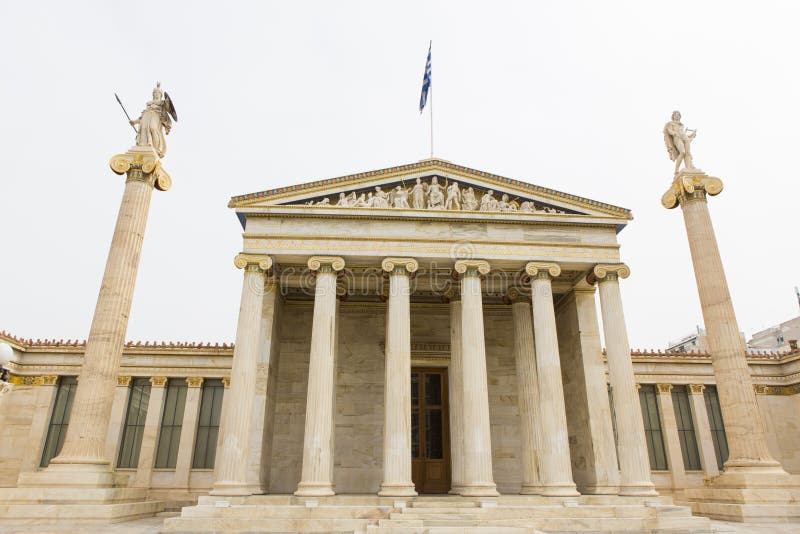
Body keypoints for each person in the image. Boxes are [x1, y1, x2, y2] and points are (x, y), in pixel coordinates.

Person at [663, 110, 697, 175]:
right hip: (677, 138)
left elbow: (683, 134)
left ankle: (689, 167)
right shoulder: (670, 123)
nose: (677, 116)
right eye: (676, 115)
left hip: (685, 138)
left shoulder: (681, 125)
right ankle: (676, 169)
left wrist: (691, 135)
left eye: (678, 115)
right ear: (673, 116)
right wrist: (674, 133)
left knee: (688, 153)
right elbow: (669, 131)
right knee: (682, 152)